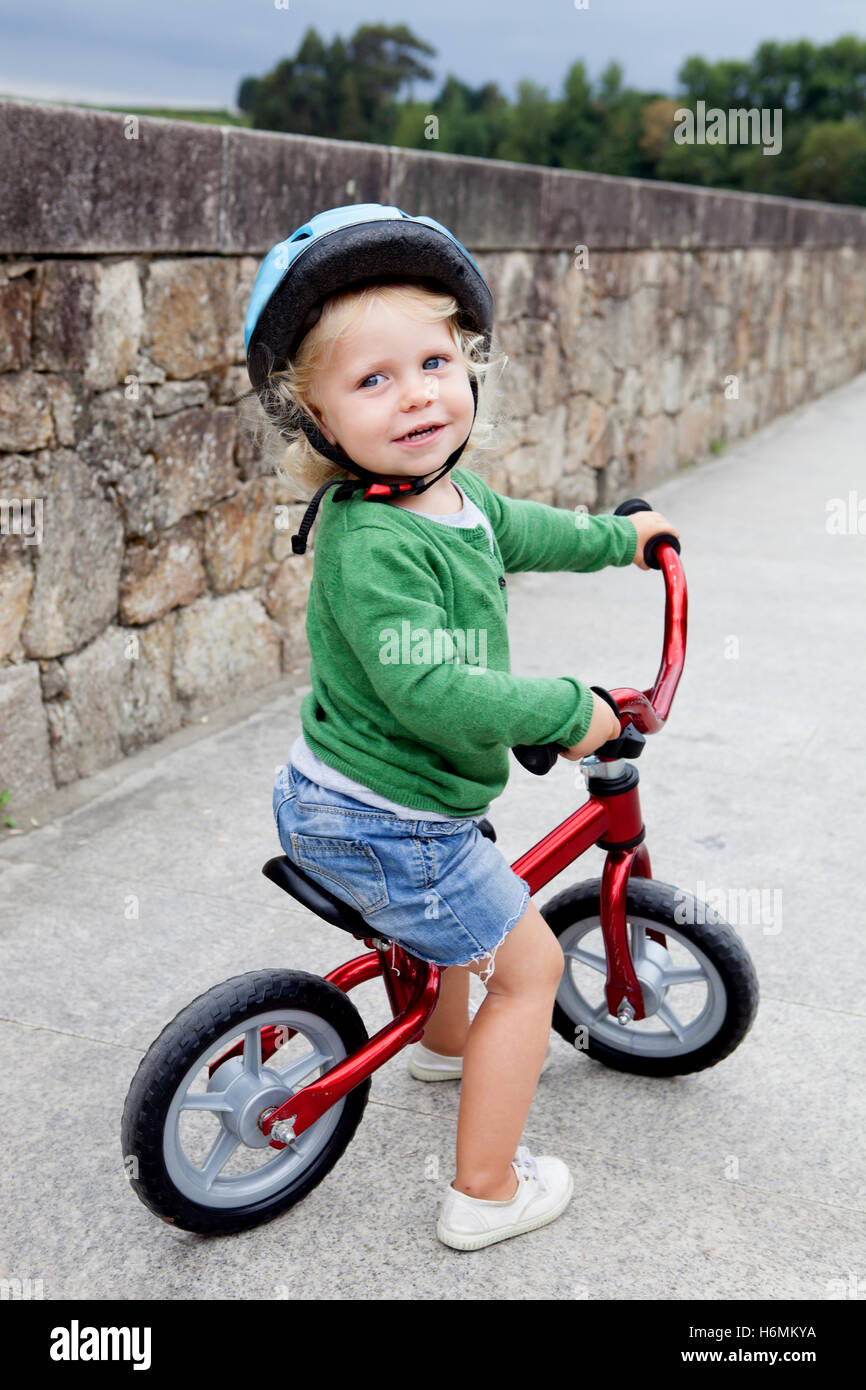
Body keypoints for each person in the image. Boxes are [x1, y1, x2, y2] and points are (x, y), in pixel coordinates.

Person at [241, 205, 680, 1251]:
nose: (415, 395)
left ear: (468, 362)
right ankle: (484, 1191)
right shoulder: (370, 542)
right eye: (371, 380)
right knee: (525, 966)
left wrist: (615, 540)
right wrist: (563, 710)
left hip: (379, 801)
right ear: (314, 415)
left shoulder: (448, 494)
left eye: (433, 359)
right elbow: (430, 690)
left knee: (462, 892)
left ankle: (443, 1046)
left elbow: (518, 525)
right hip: (379, 818)